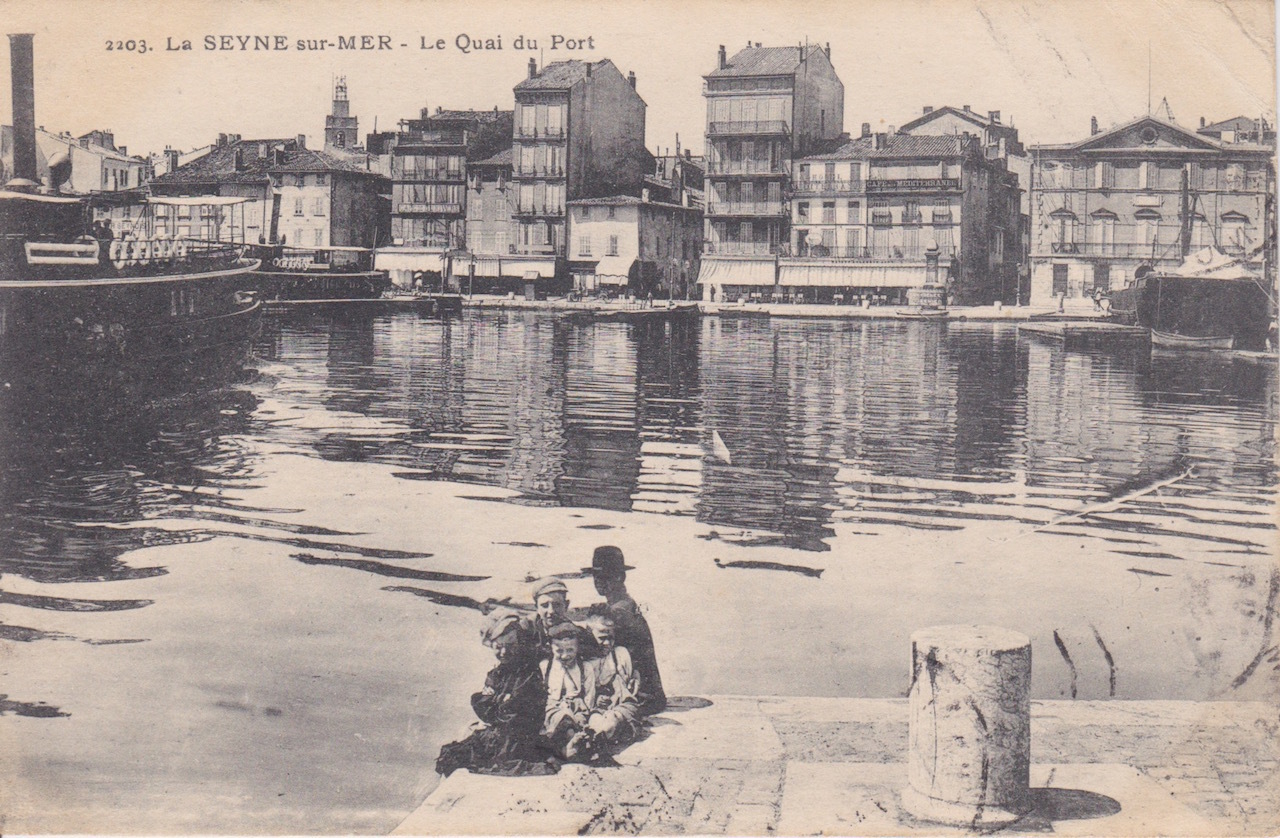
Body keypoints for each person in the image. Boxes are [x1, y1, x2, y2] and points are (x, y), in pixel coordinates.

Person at [434, 609, 556, 778]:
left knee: (487, 762)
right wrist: (498, 702)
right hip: (502, 733)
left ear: (520, 643)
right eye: (498, 647)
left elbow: (512, 713)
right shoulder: (499, 672)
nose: (504, 653)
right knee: (450, 755)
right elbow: (486, 707)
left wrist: (495, 702)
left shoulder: (529, 672)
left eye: (511, 646)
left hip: (518, 737)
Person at [585, 546, 666, 715]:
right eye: (596, 576)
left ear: (620, 577)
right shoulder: (625, 603)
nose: (599, 582)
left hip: (640, 696)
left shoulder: (618, 612)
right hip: (643, 691)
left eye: (606, 577)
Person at [540, 621, 602, 761]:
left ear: (577, 648)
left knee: (586, 723)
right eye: (559, 651)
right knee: (562, 718)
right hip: (551, 711)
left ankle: (575, 745)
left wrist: (583, 713)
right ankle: (573, 745)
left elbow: (589, 698)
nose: (565, 655)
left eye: (570, 650)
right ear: (551, 648)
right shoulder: (545, 667)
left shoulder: (585, 668)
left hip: (577, 711)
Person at [583, 614, 641, 749]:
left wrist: (634, 680)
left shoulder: (619, 654)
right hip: (594, 709)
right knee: (597, 721)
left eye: (611, 638)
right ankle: (598, 740)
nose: (607, 643)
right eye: (602, 638)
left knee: (613, 719)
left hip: (621, 706)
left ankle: (599, 740)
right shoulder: (584, 661)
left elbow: (630, 678)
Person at [520, 577, 597, 660]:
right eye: (544, 605)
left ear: (566, 605)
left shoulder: (576, 631)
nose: (551, 611)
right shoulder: (525, 629)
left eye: (557, 605)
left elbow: (595, 654)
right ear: (537, 608)